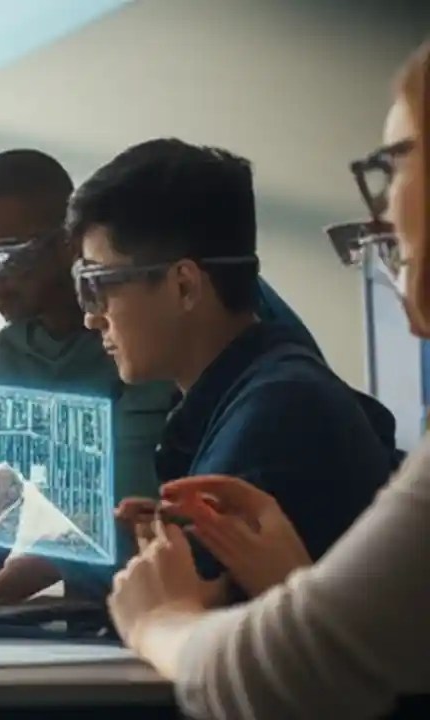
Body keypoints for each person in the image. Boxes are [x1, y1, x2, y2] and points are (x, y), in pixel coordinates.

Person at [0, 150, 322, 635]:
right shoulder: (20, 353)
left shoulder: (238, 373)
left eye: (8, 258)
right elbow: (0, 503)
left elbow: (160, 544)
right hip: (127, 621)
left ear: (67, 244)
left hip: (190, 625)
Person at [108, 41, 430, 719]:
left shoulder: (278, 401)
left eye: (393, 164)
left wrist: (157, 618)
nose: (383, 207)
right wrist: (299, 585)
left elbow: (281, 671)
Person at [69, 137, 398, 607]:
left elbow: (203, 630)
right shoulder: (260, 393)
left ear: (184, 286)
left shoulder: (276, 415)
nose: (91, 317)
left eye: (98, 285)